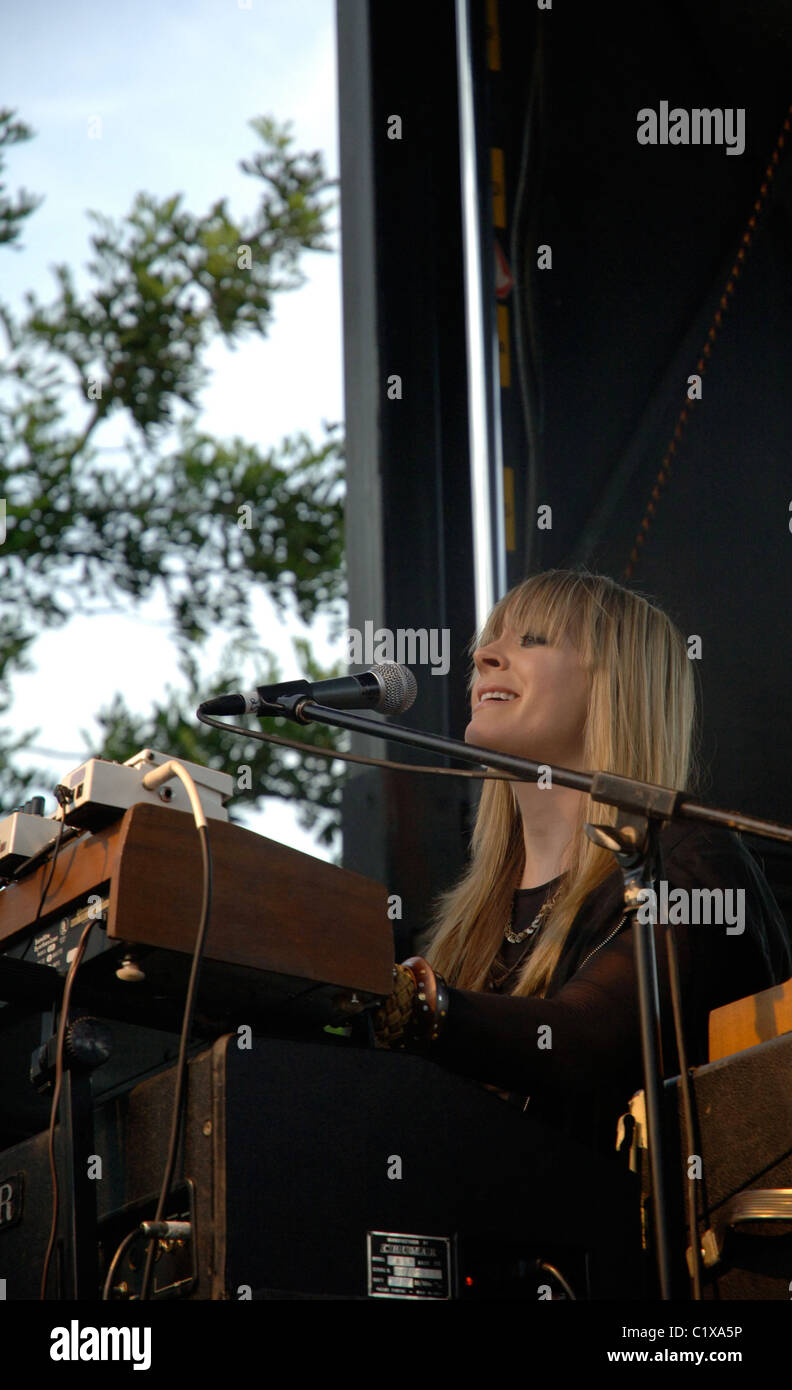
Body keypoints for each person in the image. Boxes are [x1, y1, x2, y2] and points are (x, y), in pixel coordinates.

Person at [372, 569, 792, 1157]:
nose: (486, 656)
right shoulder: (465, 920)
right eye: (486, 645)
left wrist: (413, 1004)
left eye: (532, 640)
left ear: (615, 684)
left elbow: (586, 1039)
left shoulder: (688, 861)